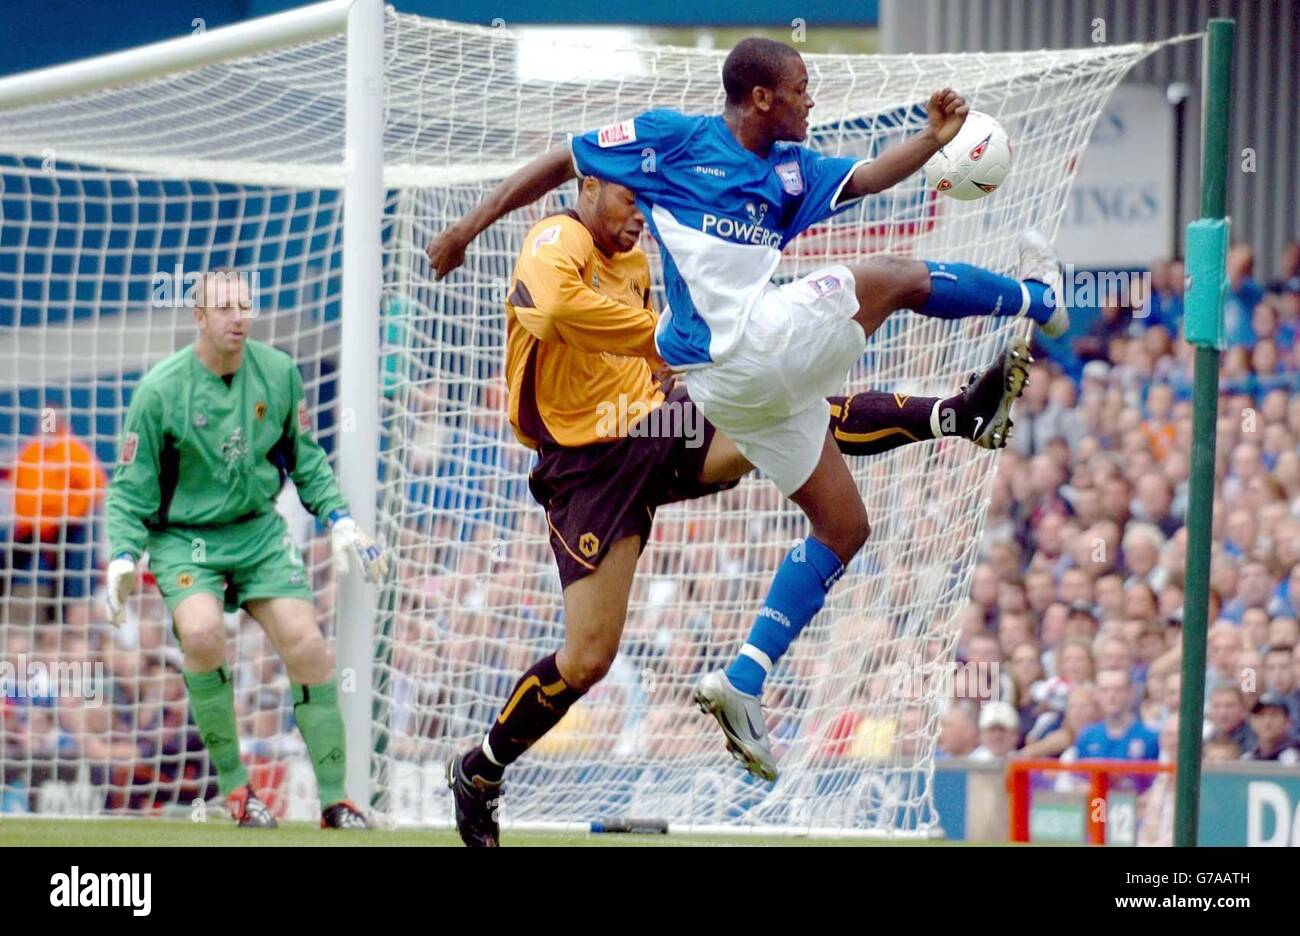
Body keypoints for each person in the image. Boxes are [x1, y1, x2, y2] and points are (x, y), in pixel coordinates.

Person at [428, 35, 1063, 787]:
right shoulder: (649, 162)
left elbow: (864, 178)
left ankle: (746, 678)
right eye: (801, 86)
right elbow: (562, 173)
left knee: (844, 524)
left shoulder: (790, 172)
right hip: (648, 415)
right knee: (893, 278)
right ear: (762, 95)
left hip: (693, 399)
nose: (811, 98)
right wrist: (467, 230)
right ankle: (1043, 303)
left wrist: (930, 140)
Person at [104, 270, 388, 829]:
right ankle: (238, 792)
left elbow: (305, 458)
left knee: (308, 643)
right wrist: (122, 554)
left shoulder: (280, 374)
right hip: (185, 539)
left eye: (245, 304)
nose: (239, 316)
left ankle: (336, 801)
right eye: (225, 307)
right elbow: (130, 487)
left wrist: (340, 518)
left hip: (257, 532)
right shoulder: (160, 391)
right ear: (200, 317)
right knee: (204, 632)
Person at [9, 407, 107, 627]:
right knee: (8, 562)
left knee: (63, 572)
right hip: (32, 526)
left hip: (64, 525)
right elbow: (19, 489)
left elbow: (95, 485)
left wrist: (67, 514)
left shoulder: (74, 450)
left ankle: (57, 619)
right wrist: (31, 520)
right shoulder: (30, 451)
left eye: (52, 419)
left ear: (60, 421)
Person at [1074, 668, 1159, 761]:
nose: (1111, 696)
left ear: (1130, 693)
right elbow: (1078, 774)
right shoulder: (1087, 736)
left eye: (1118, 689)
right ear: (1096, 694)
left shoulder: (1150, 736)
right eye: (1104, 690)